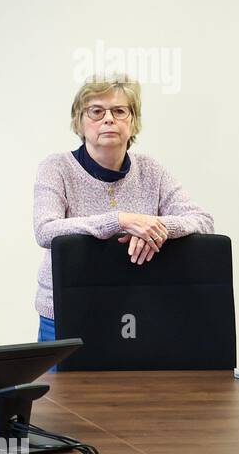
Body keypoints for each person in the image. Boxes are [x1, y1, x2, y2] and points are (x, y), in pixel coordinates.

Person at [33, 74, 213, 341]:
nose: (108, 119)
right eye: (96, 111)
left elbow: (203, 220)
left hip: (137, 310)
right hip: (65, 312)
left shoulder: (151, 170)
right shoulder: (56, 167)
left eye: (119, 111)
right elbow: (46, 230)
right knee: (64, 386)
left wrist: (155, 228)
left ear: (133, 121)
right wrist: (120, 220)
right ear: (79, 121)